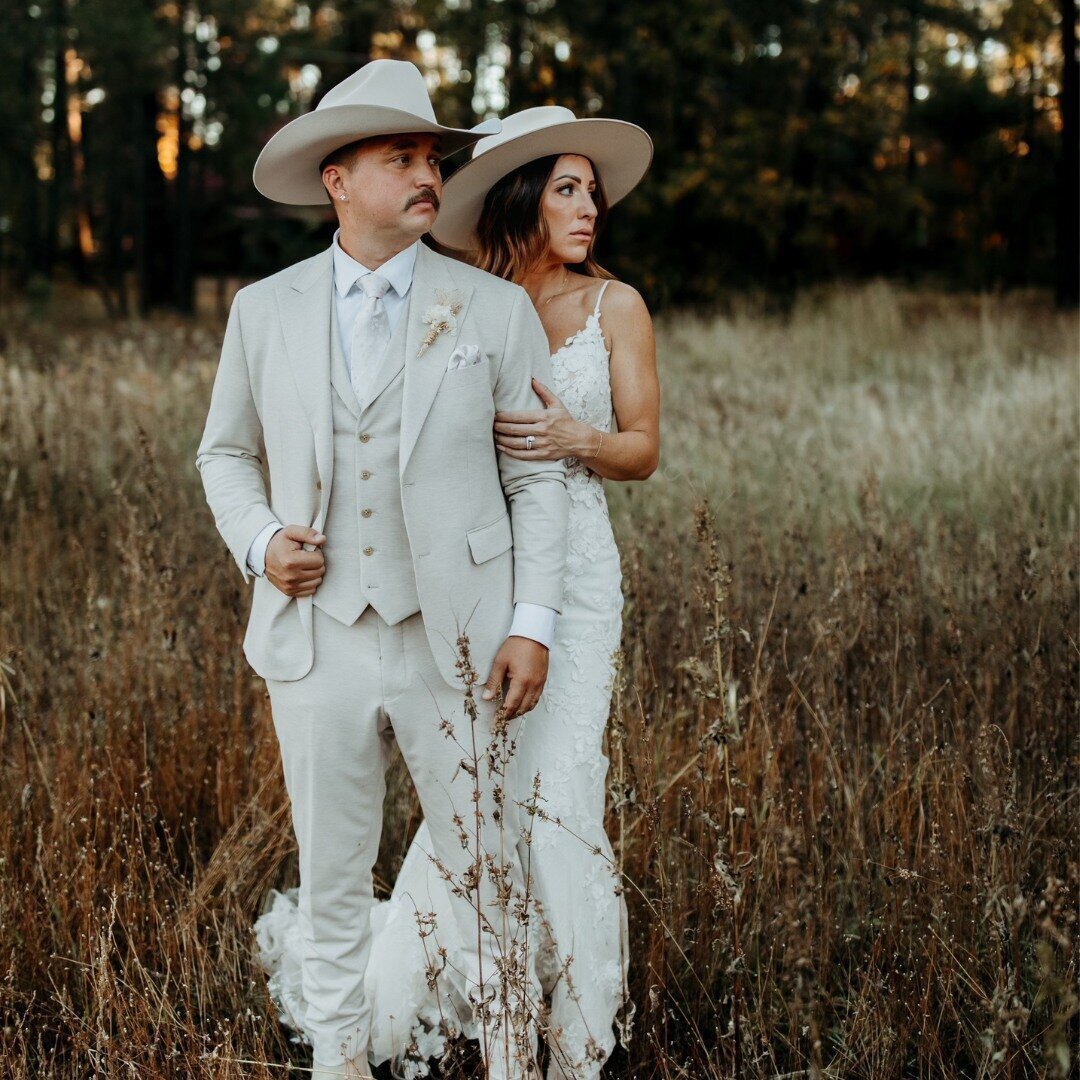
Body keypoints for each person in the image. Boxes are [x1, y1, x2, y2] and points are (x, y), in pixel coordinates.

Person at [258, 104, 659, 1080]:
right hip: (477, 575)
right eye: (568, 187)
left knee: (560, 779)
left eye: (594, 191)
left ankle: (567, 1028)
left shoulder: (617, 308)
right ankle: (448, 985)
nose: (590, 206)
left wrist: (577, 443)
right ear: (521, 195)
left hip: (578, 570)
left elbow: (644, 449)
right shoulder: (458, 300)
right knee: (476, 788)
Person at [197, 60, 569, 1080]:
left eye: (431, 159)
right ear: (337, 181)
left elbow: (535, 482)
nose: (425, 176)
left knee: (488, 867)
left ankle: (511, 1062)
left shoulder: (490, 311)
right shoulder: (262, 310)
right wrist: (262, 537)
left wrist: (532, 620)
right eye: (398, 157)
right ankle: (339, 1061)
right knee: (329, 874)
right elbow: (223, 453)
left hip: (458, 636)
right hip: (313, 637)